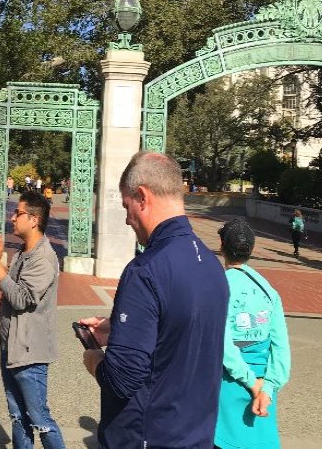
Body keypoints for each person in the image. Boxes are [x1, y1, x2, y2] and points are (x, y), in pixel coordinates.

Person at [78, 151, 229, 448]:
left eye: (127, 206)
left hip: (147, 436)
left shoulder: (146, 270)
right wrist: (120, 329)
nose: (127, 219)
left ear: (142, 197)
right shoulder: (212, 266)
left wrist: (95, 361)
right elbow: (182, 335)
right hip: (197, 435)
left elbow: (122, 378)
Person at [0, 191, 65, 449]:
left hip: (29, 353)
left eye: (18, 212)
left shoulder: (44, 258)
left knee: (40, 419)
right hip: (11, 347)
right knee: (18, 416)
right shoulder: (24, 252)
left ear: (34, 220)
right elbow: (13, 293)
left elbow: (22, 298)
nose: (12, 218)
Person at [215, 218, 291, 449]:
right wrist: (267, 387)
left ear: (222, 247)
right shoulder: (268, 290)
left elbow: (221, 342)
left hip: (228, 380)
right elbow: (280, 346)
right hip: (263, 381)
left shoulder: (219, 286)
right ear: (252, 249)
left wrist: (250, 381)